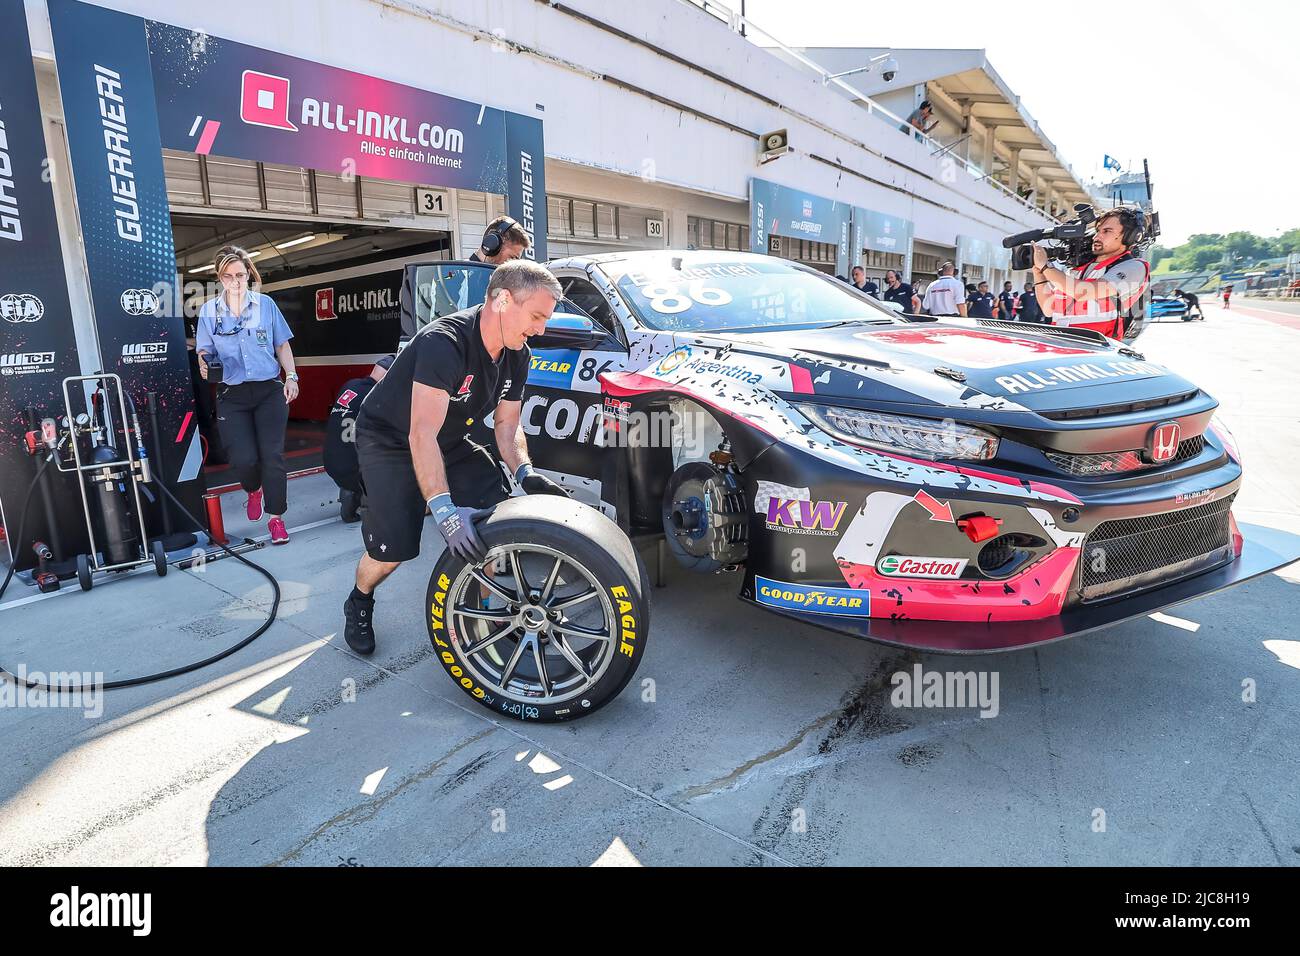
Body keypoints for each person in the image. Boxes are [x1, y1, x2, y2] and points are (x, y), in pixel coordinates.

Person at [342, 260, 568, 655]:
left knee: (493, 521)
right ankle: (359, 600)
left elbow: (507, 424)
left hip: (448, 436)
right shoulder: (443, 342)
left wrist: (525, 472)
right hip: (390, 438)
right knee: (392, 551)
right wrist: (444, 510)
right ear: (501, 300)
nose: (541, 328)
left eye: (545, 319)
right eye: (535, 316)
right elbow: (420, 432)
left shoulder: (518, 352)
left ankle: (480, 613)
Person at [196, 245, 298, 545]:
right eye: (228, 276)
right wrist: (203, 364)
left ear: (249, 275)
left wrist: (291, 376)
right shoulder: (209, 312)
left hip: (269, 390)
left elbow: (282, 345)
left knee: (273, 457)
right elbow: (204, 350)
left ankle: (276, 518)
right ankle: (253, 489)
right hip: (232, 393)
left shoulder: (265, 305)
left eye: (240, 274)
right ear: (220, 278)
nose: (235, 281)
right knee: (243, 459)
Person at [1031, 206, 1150, 338]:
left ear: (1129, 237)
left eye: (1107, 231)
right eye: (1098, 231)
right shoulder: (1078, 270)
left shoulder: (1135, 267)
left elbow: (1082, 292)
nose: (1097, 236)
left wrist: (1046, 267)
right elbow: (1049, 309)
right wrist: (1039, 274)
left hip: (1096, 353)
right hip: (1060, 347)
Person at [324, 355, 394, 523]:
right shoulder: (377, 396)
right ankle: (366, 497)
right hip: (355, 468)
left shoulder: (350, 386)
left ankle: (351, 492)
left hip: (330, 463)